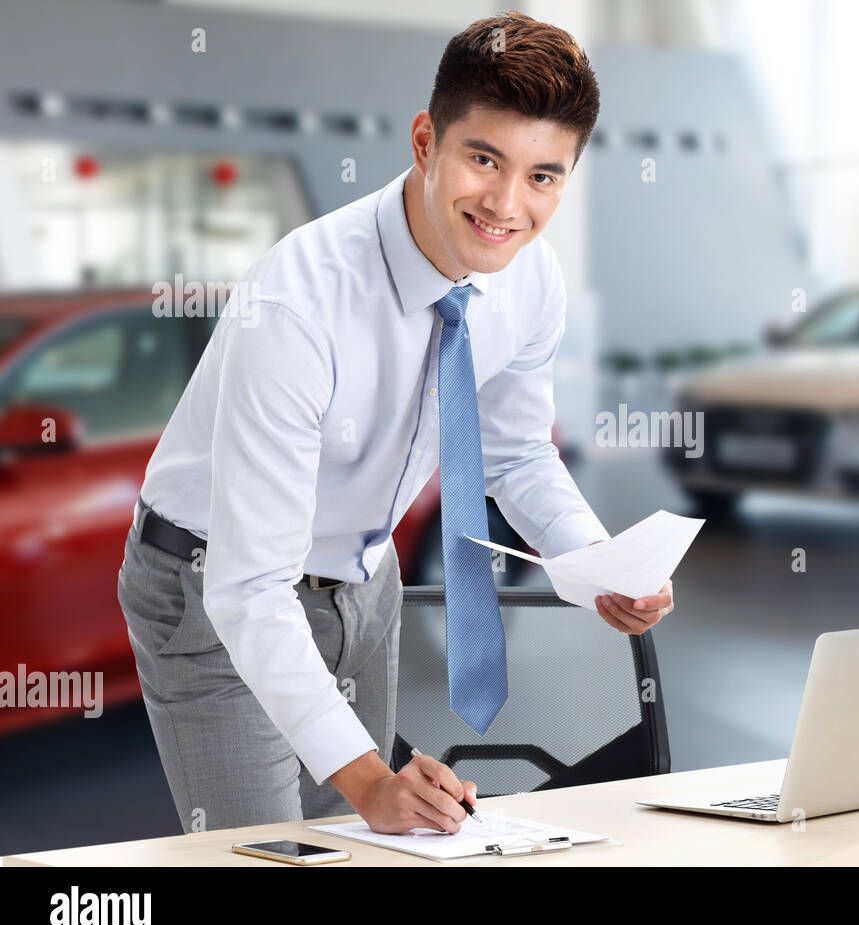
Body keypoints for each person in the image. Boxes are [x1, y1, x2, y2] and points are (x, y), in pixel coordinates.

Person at [117, 10, 673, 837]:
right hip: (217, 588)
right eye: (483, 159)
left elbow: (515, 453)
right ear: (425, 142)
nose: (507, 205)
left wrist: (595, 563)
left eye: (543, 177)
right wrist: (372, 781)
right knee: (270, 857)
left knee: (364, 851)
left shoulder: (531, 281)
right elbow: (249, 588)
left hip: (363, 586)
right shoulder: (299, 305)